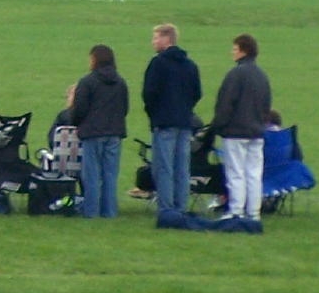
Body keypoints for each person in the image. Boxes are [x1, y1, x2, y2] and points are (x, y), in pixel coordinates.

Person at [210, 34, 272, 223]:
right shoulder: (262, 75)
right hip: (256, 132)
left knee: (236, 173)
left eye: (235, 49)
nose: (232, 52)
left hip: (236, 132)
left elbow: (225, 103)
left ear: (243, 51)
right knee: (254, 174)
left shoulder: (235, 74)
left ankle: (236, 210)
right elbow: (267, 104)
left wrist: (218, 126)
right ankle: (254, 213)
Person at [141, 24, 201, 218]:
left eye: (156, 38)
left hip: (163, 123)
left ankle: (166, 209)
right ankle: (181, 206)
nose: (153, 42)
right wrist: (185, 110)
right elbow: (196, 93)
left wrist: (154, 114)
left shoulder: (158, 63)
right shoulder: (190, 65)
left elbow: (149, 93)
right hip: (184, 123)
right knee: (182, 168)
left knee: (163, 168)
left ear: (167, 39)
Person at [69, 44, 129, 219]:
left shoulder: (87, 82)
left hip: (92, 133)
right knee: (110, 174)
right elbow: (125, 108)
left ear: (95, 59)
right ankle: (109, 211)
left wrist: (76, 124)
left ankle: (91, 211)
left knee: (92, 175)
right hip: (115, 133)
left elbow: (79, 109)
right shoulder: (120, 82)